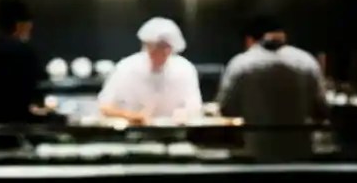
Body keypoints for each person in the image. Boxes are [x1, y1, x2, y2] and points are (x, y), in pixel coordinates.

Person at [217, 15, 328, 161]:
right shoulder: (306, 61)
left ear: (250, 40)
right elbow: (321, 110)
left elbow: (226, 109)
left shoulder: (240, 63)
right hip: (299, 154)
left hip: (255, 153)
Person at [98, 17, 202, 124]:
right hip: (131, 132)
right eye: (154, 47)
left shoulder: (185, 69)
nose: (159, 52)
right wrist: (132, 116)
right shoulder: (126, 67)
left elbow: (195, 107)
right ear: (146, 46)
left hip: (173, 133)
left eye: (165, 48)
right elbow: (104, 107)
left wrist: (184, 114)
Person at [0, 0, 43, 123]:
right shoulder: (25, 54)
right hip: (20, 126)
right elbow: (33, 94)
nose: (31, 27)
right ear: (19, 25)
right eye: (28, 23)